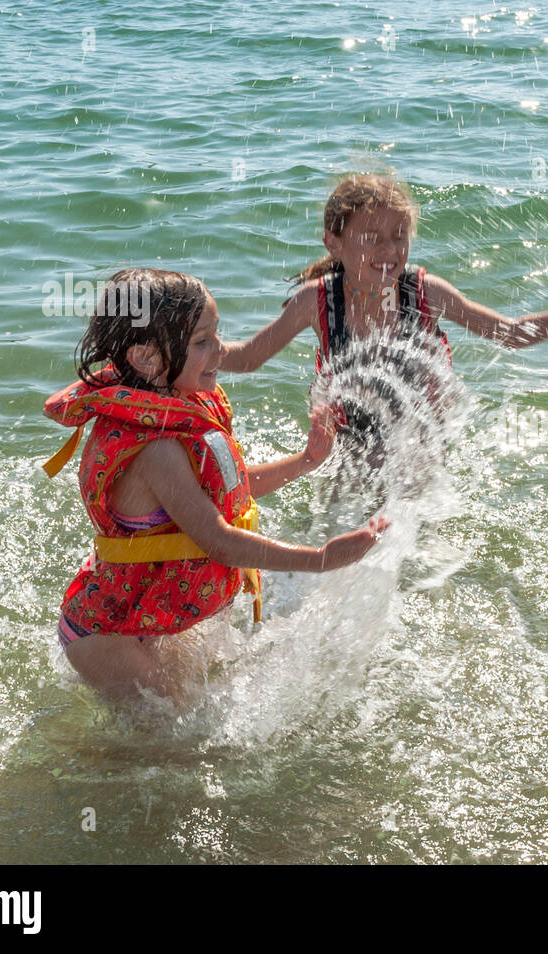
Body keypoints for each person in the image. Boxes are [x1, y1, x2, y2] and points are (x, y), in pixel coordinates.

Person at [43, 268, 388, 701]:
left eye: (217, 334)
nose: (222, 351)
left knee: (194, 709)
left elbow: (228, 492)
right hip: (108, 636)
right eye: (203, 342)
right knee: (165, 749)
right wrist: (321, 559)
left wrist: (304, 462)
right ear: (147, 359)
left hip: (140, 614)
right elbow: (218, 542)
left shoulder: (177, 409)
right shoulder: (158, 451)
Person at [218, 173, 548, 455]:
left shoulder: (424, 293)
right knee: (343, 531)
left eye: (399, 236)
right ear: (334, 244)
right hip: (348, 436)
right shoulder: (317, 301)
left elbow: (508, 333)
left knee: (418, 531)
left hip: (418, 439)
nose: (389, 250)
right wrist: (188, 346)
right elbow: (248, 358)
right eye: (372, 238)